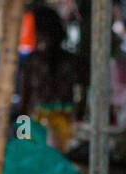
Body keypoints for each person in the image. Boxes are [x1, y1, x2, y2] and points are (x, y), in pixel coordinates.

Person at [19, 4, 87, 138]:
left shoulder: (32, 62)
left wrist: (23, 135)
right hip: (65, 128)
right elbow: (82, 99)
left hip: (39, 130)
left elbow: (25, 102)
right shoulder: (72, 61)